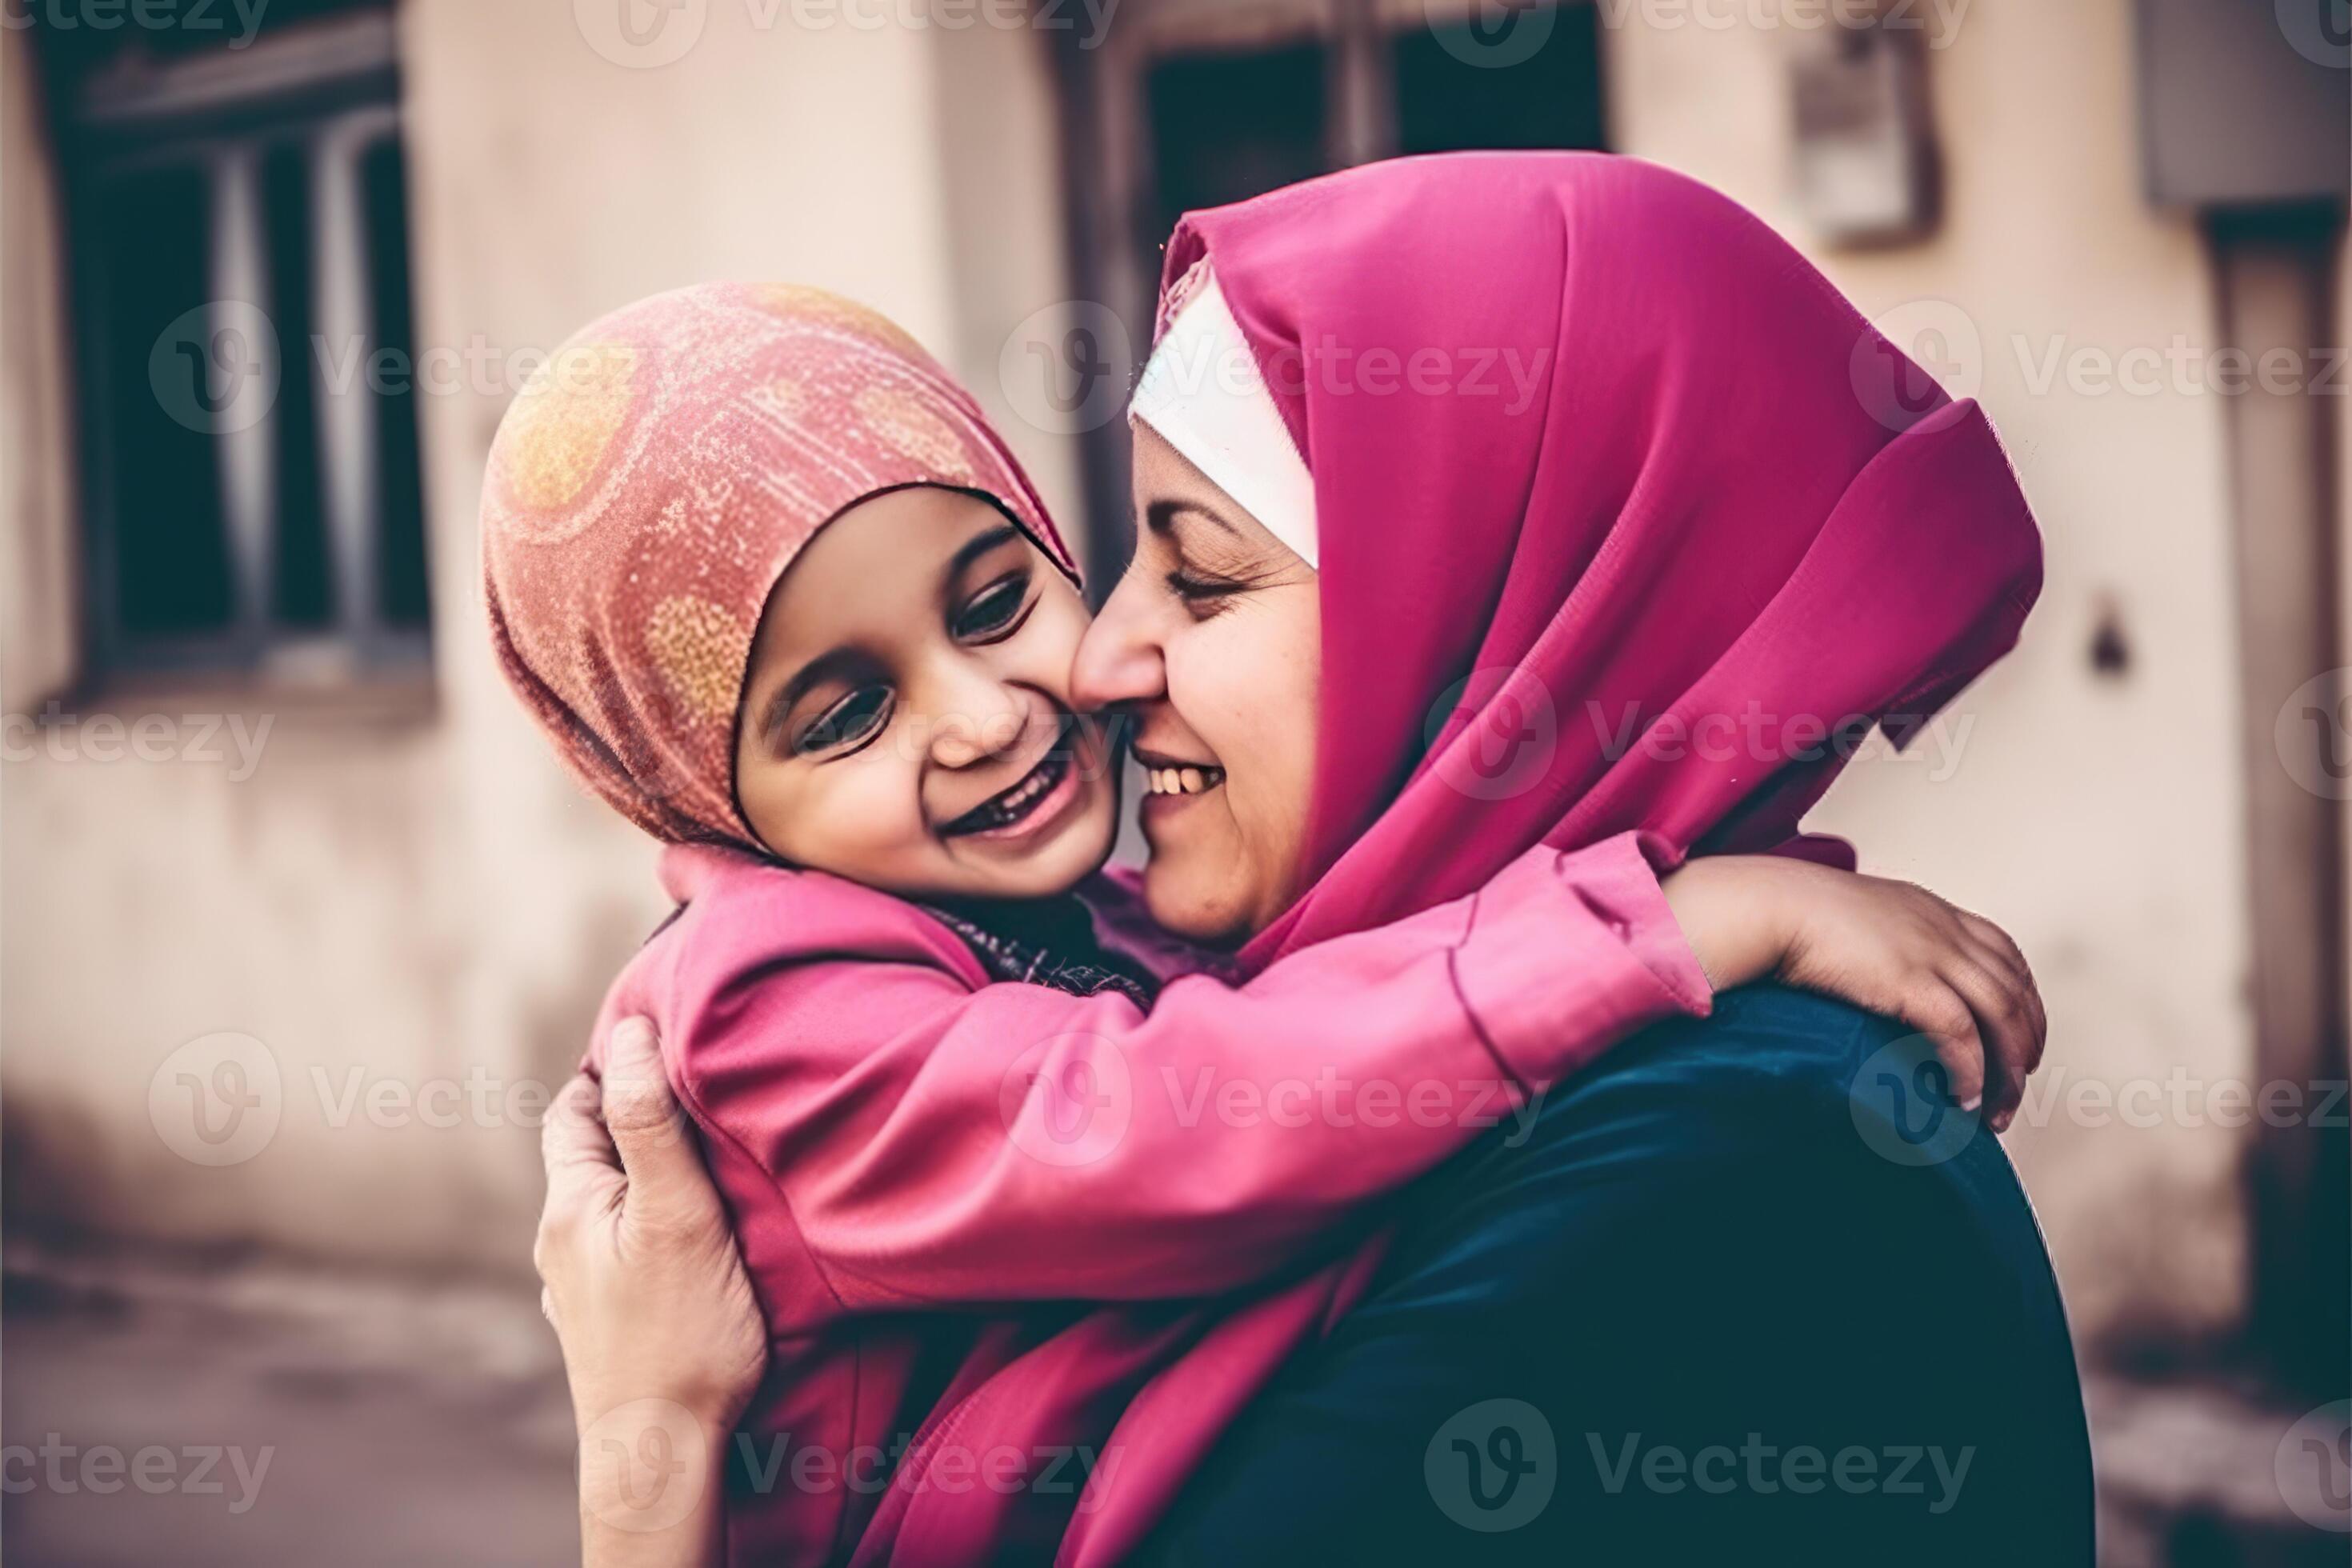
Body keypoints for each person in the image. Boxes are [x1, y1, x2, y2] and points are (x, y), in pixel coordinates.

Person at [522, 154, 2082, 1566]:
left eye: (1192, 576)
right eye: (845, 708)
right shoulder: (779, 992)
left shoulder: (1712, 1165)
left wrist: (643, 1466)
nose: (1095, 665)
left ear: (1483, 612)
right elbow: (1161, 1117)